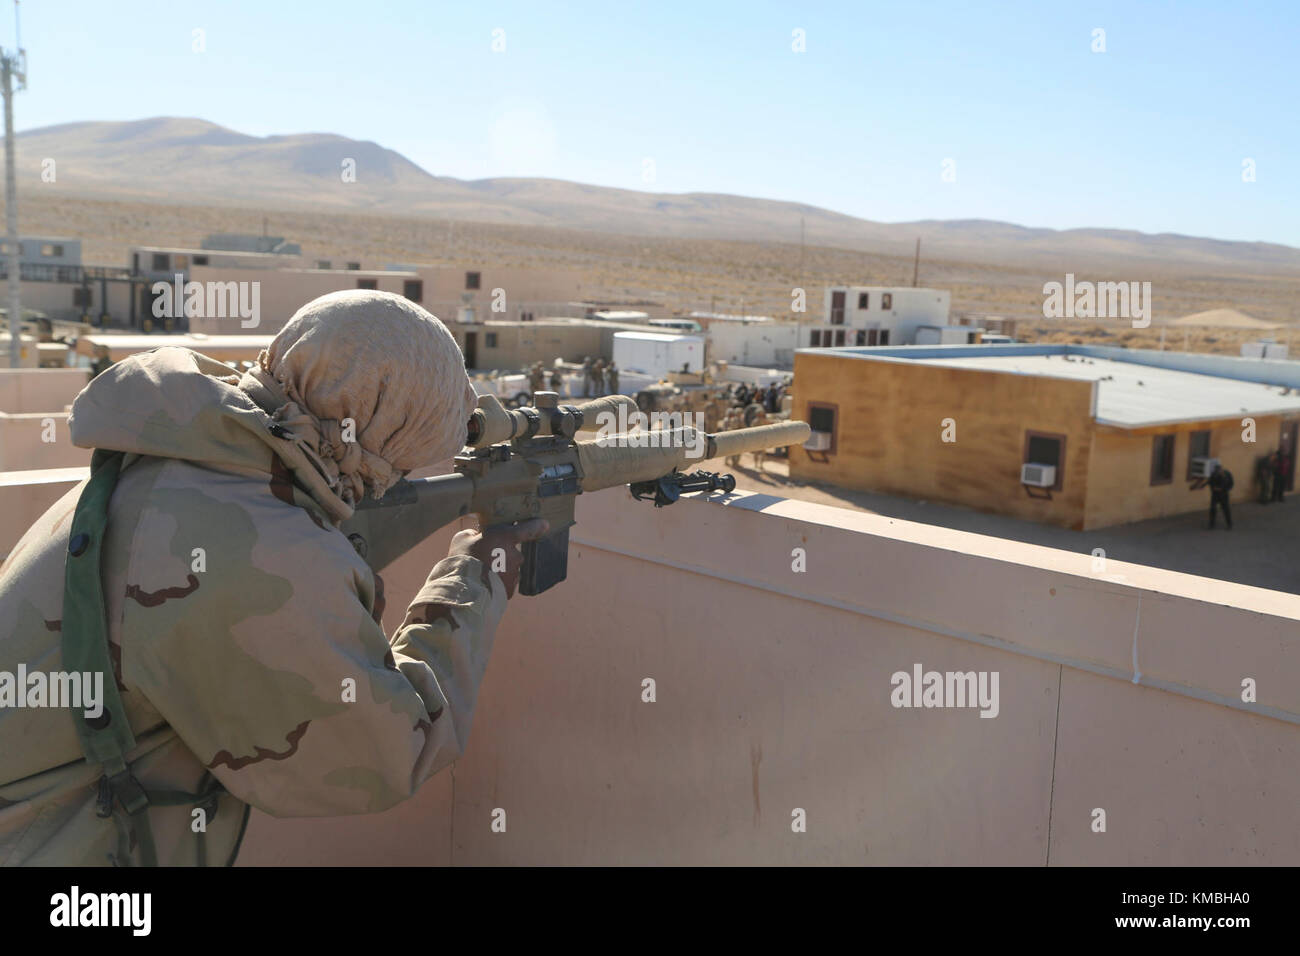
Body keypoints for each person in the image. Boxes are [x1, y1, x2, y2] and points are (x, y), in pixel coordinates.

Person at [0, 289, 546, 866]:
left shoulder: (178, 457)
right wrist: (475, 581)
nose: (396, 481)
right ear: (379, 433)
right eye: (404, 459)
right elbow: (389, 754)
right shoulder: (264, 549)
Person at [1208, 462, 1234, 530]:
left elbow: (1231, 484)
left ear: (1221, 469)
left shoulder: (1227, 474)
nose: (1217, 472)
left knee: (1226, 510)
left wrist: (1223, 489)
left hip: (1224, 495)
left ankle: (1229, 524)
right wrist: (1214, 488)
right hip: (1215, 495)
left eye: (1219, 471)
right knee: (1213, 509)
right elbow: (1210, 483)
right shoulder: (1213, 475)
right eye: (1216, 471)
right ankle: (1211, 524)